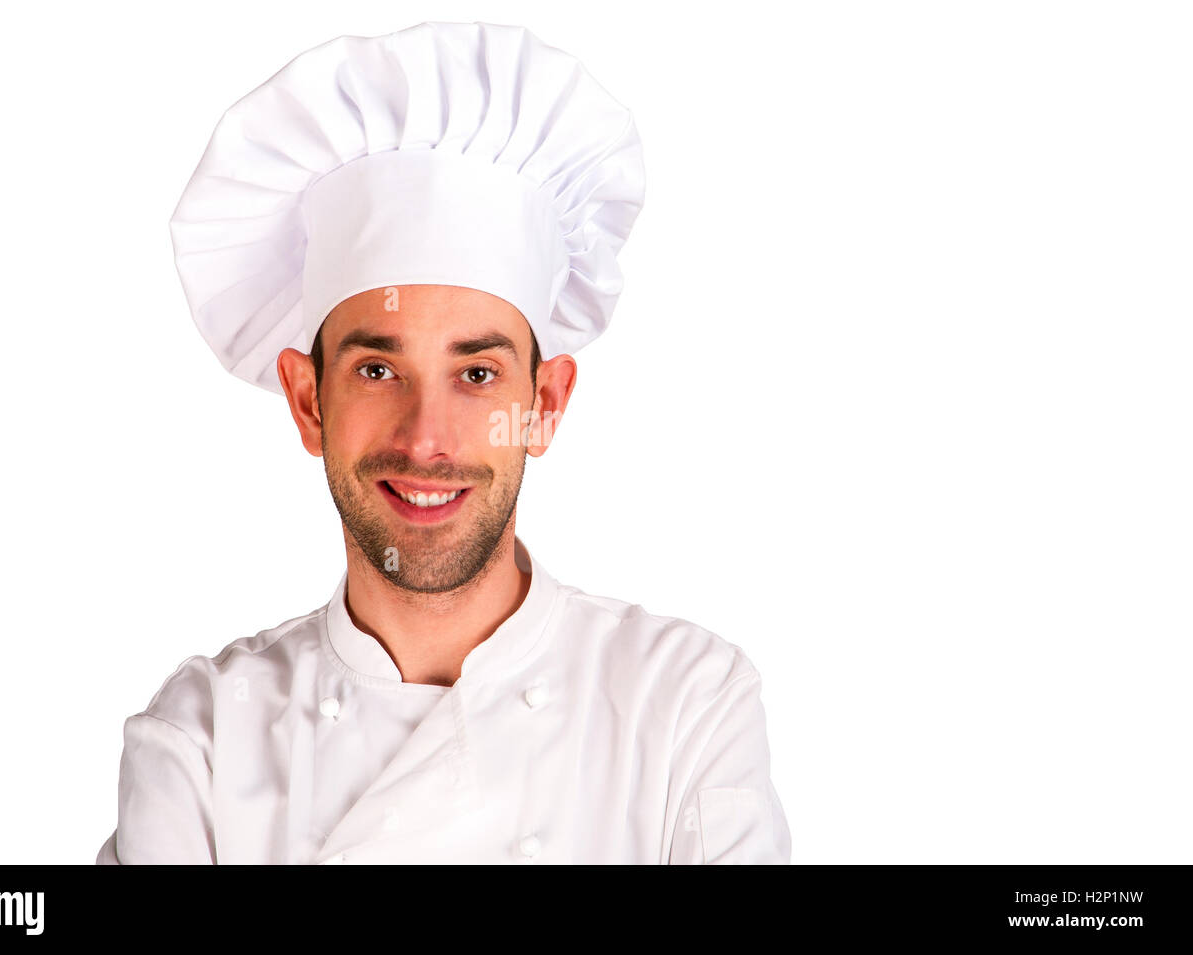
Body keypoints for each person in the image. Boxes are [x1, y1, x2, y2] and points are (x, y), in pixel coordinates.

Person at [96, 20, 791, 865]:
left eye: (477, 376)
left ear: (545, 402)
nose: (427, 441)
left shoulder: (684, 706)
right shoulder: (202, 744)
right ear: (308, 400)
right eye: (379, 372)